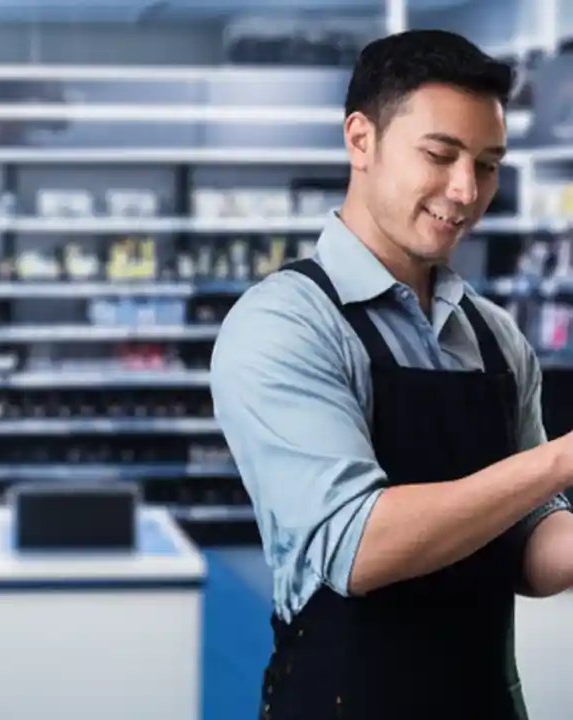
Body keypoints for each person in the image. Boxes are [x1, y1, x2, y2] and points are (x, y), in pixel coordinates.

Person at [210, 30, 573, 719]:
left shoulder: (495, 337)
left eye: (488, 164)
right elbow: (358, 548)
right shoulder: (284, 325)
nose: (465, 191)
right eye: (440, 156)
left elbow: (532, 542)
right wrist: (560, 461)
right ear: (361, 140)